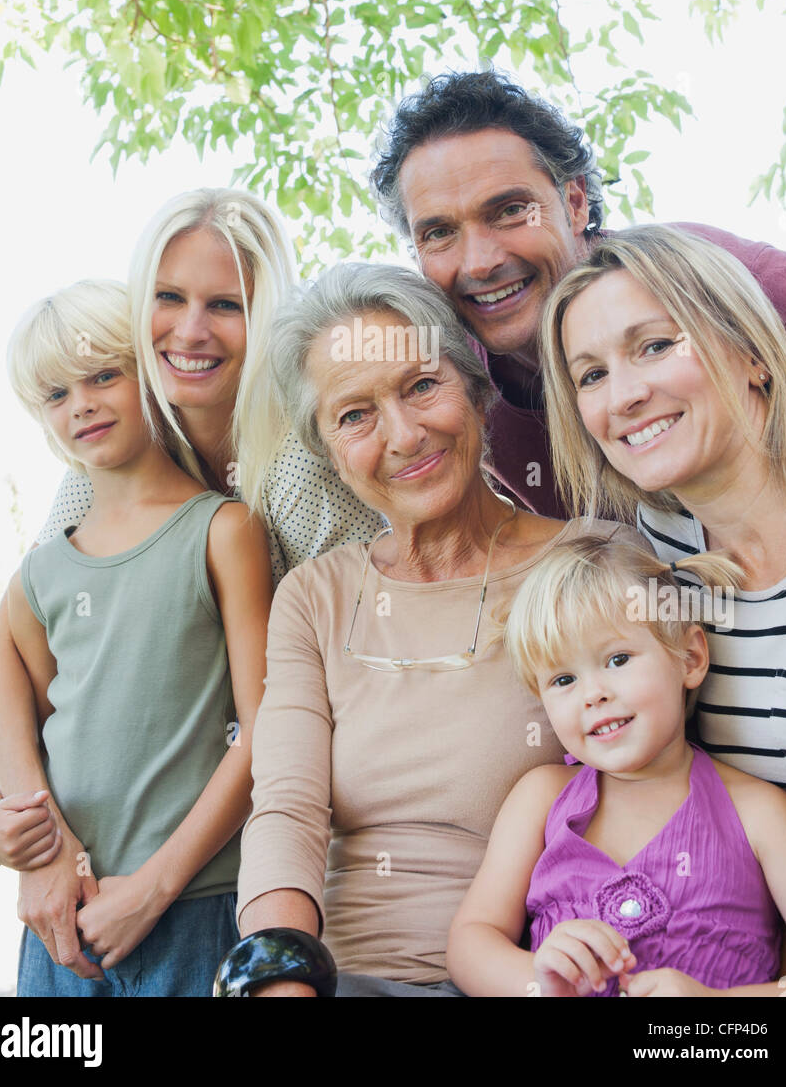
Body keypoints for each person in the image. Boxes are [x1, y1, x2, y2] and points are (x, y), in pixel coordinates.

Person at [0, 188, 385, 971]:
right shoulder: (103, 473)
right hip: (101, 891)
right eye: (168, 298)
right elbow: (4, 653)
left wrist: (162, 884)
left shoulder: (294, 473)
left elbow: (345, 674)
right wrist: (27, 832)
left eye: (225, 304)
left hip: (285, 834)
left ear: (261, 318)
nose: (190, 330)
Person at [234, 263, 642, 996]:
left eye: (422, 386)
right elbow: (287, 809)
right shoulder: (314, 596)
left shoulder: (594, 563)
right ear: (328, 452)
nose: (403, 434)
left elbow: (668, 793)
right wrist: (278, 977)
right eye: (354, 415)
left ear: (477, 391)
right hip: (336, 975)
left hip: (533, 972)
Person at [0, 279, 271, 995]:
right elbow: (46, 715)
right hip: (63, 926)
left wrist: (153, 887)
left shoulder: (223, 530)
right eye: (55, 395)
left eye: (104, 375)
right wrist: (33, 849)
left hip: (194, 909)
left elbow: (266, 729)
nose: (81, 404)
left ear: (150, 371)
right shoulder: (42, 569)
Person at [370, 69, 786, 515]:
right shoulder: (453, 392)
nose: (479, 263)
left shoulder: (709, 281)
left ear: (575, 202)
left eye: (509, 211)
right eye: (439, 233)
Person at [447, 534, 786, 997]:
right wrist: (538, 982)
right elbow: (471, 940)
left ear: (690, 658)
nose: (593, 693)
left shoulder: (761, 813)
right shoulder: (541, 797)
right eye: (563, 679)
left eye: (617, 659)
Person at [539, 224, 786, 815]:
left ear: (752, 353)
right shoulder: (655, 563)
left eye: (656, 346)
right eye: (592, 375)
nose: (623, 397)